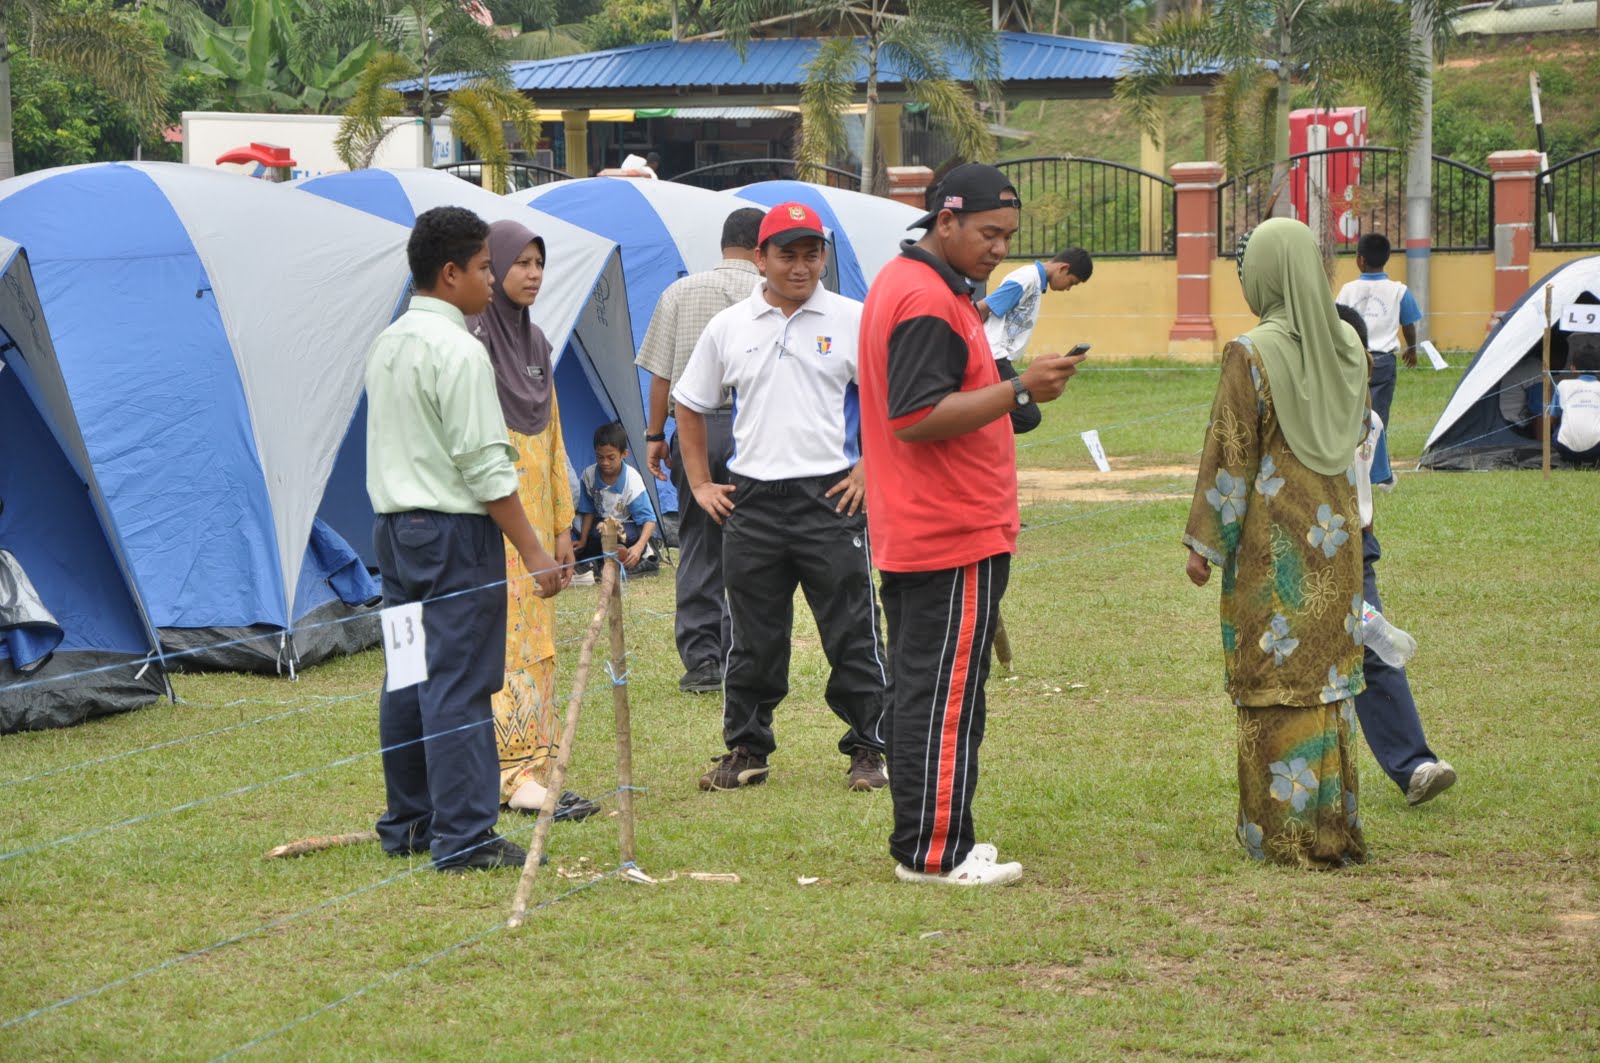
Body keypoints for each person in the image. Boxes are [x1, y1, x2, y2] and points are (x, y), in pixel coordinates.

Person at [858, 163, 1086, 886]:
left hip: (939, 525)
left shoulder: (929, 287)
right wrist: (1020, 388)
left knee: (931, 689)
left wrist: (1011, 388)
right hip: (947, 529)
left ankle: (934, 837)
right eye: (989, 233)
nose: (1000, 248)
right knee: (943, 696)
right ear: (946, 220)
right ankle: (934, 853)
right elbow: (916, 416)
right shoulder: (925, 297)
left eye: (1009, 235)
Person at [365, 206, 562, 873]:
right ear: (450, 274)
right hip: (453, 538)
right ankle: (466, 836)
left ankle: (409, 821)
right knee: (460, 682)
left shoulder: (389, 342)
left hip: (396, 536)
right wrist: (533, 550)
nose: (492, 278)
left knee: (406, 674)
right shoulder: (461, 350)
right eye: (484, 267)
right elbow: (485, 468)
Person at [674, 201, 889, 793]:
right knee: (753, 636)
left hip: (832, 498)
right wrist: (699, 483)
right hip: (753, 502)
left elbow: (888, 399)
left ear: (824, 258)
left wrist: (869, 467)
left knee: (852, 629)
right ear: (760, 258)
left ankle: (869, 748)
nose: (800, 267)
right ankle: (746, 749)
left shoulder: (852, 318)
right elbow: (689, 403)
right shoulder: (730, 326)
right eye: (787, 255)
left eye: (811, 254)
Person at [1185, 218, 1370, 870]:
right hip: (1339, 544)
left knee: (1274, 682)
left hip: (1277, 552)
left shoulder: (1251, 353)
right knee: (1325, 681)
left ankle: (1285, 838)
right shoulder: (1347, 346)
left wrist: (1204, 545)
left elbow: (1231, 454)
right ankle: (1333, 831)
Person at [463, 218, 599, 823]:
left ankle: (535, 765)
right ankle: (508, 772)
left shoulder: (536, 343)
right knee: (505, 643)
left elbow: (553, 437)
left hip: (540, 530)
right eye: (520, 262)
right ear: (492, 266)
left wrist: (564, 529)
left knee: (538, 643)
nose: (533, 274)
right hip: (495, 526)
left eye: (539, 263)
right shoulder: (473, 344)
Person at [635, 207, 765, 694]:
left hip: (693, 429)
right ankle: (742, 654)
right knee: (752, 543)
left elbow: (661, 376)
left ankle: (702, 661)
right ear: (762, 248)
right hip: (755, 430)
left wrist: (654, 435)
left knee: (697, 540)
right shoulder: (771, 294)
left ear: (724, 244)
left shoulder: (680, 291)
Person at [1336, 304, 1458, 807]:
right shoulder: (1294, 417)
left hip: (1352, 551)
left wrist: (1362, 542)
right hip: (1296, 552)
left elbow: (1370, 485)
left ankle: (1415, 767)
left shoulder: (1370, 422)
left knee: (1374, 649)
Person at [1336, 232, 1421, 432]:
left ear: (1360, 260)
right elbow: (1408, 325)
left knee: (1351, 413)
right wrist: (1411, 349)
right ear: (1387, 257)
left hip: (1353, 359)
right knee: (1378, 415)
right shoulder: (1399, 291)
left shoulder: (1347, 290)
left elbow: (1336, 322)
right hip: (1383, 362)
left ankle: (1353, 448)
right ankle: (1376, 449)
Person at [573, 422, 659, 575]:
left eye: (611, 457)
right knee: (580, 525)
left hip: (625, 526)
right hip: (599, 525)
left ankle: (641, 550)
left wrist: (639, 546)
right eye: (600, 457)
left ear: (624, 454)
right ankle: (609, 557)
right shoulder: (589, 475)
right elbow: (588, 511)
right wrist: (583, 540)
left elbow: (649, 520)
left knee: (618, 534)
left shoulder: (631, 480)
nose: (604, 462)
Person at [1550, 333, 1600, 464]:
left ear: (1572, 368)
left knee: (1561, 420)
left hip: (1564, 447)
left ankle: (1571, 459)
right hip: (1596, 447)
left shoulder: (1563, 385)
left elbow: (1553, 417)